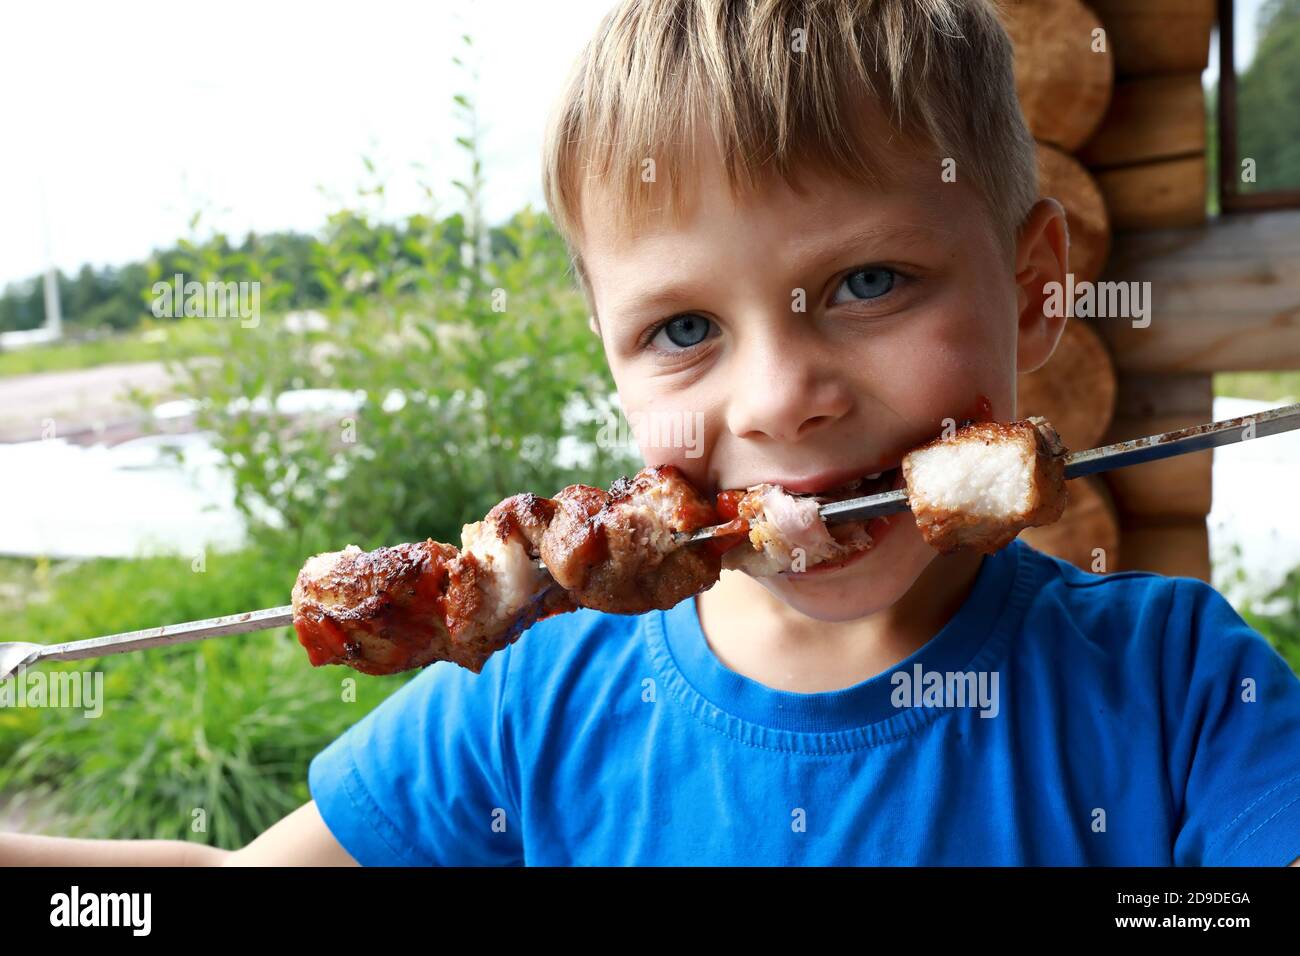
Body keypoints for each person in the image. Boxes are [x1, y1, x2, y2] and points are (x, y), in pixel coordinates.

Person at [5, 0, 1299, 866]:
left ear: (1031, 292)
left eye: (868, 284)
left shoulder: (1183, 701)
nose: (778, 399)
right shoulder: (523, 713)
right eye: (683, 329)